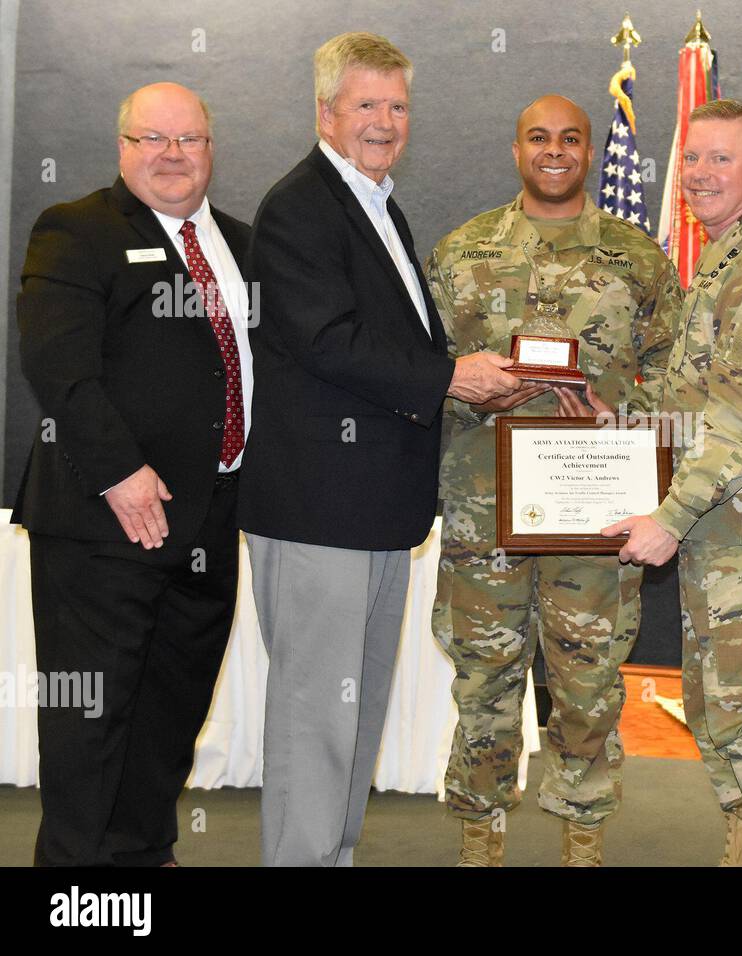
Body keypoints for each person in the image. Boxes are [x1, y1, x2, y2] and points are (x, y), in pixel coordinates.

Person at [237, 32, 521, 867]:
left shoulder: (374, 203)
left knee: (352, 717)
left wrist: (459, 375)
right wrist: (449, 377)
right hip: (318, 510)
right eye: (366, 104)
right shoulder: (299, 208)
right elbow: (328, 342)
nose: (385, 121)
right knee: (314, 716)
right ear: (325, 111)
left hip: (374, 513)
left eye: (397, 106)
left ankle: (332, 859)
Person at [424, 94, 681, 867]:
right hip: (485, 510)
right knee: (484, 681)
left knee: (590, 686)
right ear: (516, 149)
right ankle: (480, 842)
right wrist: (455, 383)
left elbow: (679, 372)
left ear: (590, 152)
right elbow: (414, 367)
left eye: (571, 138)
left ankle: (583, 844)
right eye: (538, 137)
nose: (555, 150)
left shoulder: (637, 257)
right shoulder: (460, 251)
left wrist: (623, 410)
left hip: (591, 513)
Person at [579, 99, 742, 866]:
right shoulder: (717, 268)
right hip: (721, 538)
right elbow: (694, 405)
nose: (701, 175)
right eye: (692, 158)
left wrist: (670, 516)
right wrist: (614, 420)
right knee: (721, 717)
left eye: (723, 159)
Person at [13, 82, 250, 866]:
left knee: (169, 712)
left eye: (190, 139)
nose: (173, 155)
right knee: (89, 722)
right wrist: (122, 473)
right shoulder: (75, 230)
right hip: (102, 523)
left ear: (211, 150)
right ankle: (76, 892)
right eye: (154, 139)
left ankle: (141, 864)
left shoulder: (241, 247)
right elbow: (59, 366)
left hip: (209, 523)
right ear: (122, 148)